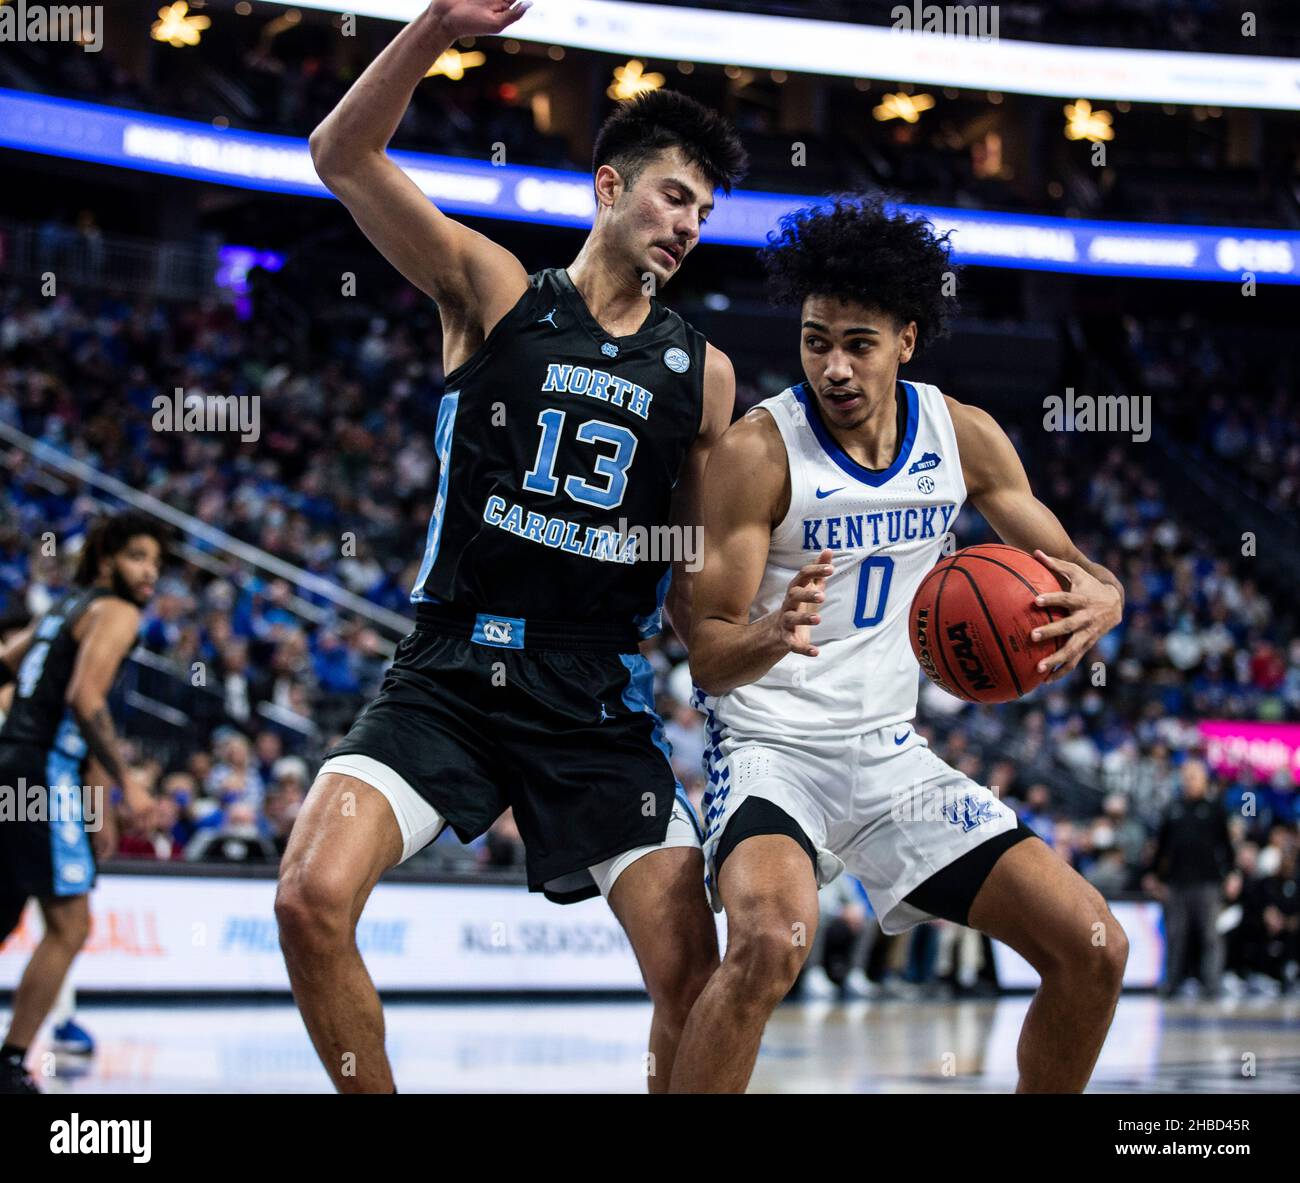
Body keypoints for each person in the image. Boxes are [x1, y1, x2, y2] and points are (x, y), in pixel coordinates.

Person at [275, 0, 745, 1093]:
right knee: (307, 896)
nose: (687, 223)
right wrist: (440, 21)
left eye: (705, 212)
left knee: (695, 975)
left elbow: (693, 559)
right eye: (675, 194)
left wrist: (740, 622)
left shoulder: (704, 375)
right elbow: (341, 155)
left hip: (592, 690)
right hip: (448, 668)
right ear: (610, 186)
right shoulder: (493, 292)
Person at [673, 195, 1128, 1093]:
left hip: (891, 758)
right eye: (815, 341)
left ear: (907, 340)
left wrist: (1106, 596)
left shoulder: (960, 434)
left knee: (1094, 946)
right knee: (769, 941)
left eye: (858, 342)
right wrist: (769, 632)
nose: (833, 367)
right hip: (771, 751)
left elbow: (1073, 567)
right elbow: (708, 656)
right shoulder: (759, 452)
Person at [0, 511, 164, 1092]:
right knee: (70, 925)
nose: (150, 573)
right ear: (105, 560)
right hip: (45, 772)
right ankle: (11, 1062)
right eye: (138, 557)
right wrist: (130, 783)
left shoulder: (62, 609)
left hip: (11, 766)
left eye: (156, 563)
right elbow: (85, 698)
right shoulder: (117, 612)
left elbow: (6, 663)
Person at [1149, 758, 1233, 998]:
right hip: (1177, 882)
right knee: (1175, 935)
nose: (1190, 782)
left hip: (1208, 882)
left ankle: (1212, 985)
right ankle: (1171, 984)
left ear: (1205, 780)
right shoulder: (1173, 809)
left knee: (1210, 935)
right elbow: (1161, 847)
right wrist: (1155, 875)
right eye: (1187, 777)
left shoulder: (1215, 809)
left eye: (1195, 777)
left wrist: (1231, 874)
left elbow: (1226, 847)